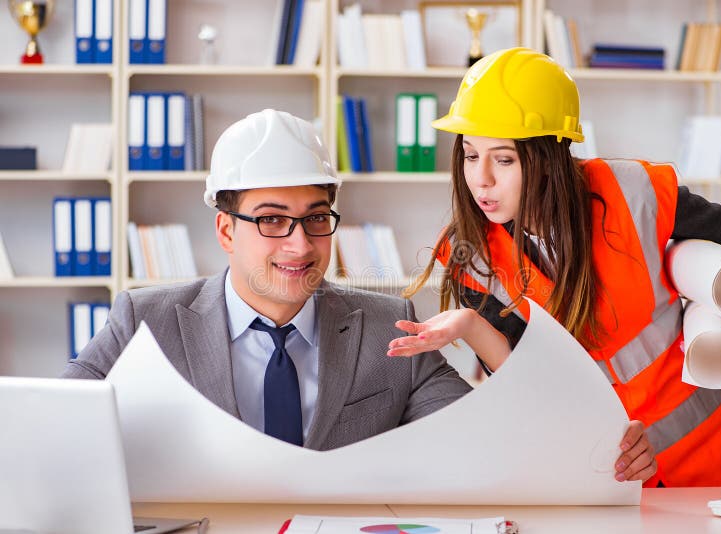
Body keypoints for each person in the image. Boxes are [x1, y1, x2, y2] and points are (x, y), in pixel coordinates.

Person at [388, 48, 721, 487]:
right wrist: (470, 326)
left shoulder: (631, 193)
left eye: (503, 159)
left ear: (548, 157)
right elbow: (527, 379)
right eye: (470, 155)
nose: (480, 179)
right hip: (598, 470)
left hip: (705, 461)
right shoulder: (472, 258)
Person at [63, 109, 471, 450]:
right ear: (225, 231)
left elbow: (478, 440)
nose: (301, 245)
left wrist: (481, 330)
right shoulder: (145, 322)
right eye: (272, 219)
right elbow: (55, 427)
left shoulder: (389, 327)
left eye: (315, 218)